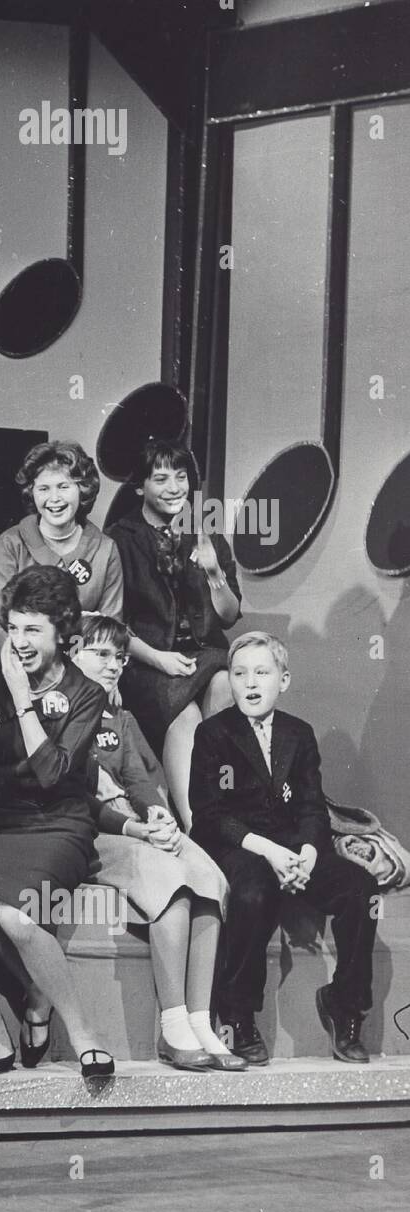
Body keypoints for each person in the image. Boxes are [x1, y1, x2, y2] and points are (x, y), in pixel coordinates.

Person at [190, 633, 378, 1066]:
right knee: (254, 891)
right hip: (240, 846)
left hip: (295, 848)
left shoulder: (299, 734)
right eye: (240, 674)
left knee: (361, 890)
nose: (250, 683)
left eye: (262, 672)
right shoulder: (214, 736)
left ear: (284, 680)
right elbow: (213, 814)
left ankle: (345, 1005)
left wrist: (309, 855)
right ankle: (238, 1014)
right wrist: (270, 854)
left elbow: (313, 806)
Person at [71, 614, 245, 1071]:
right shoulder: (57, 711)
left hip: (137, 824)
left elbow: (138, 779)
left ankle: (201, 1022)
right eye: (101, 654)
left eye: (120, 657)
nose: (113, 665)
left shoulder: (120, 715)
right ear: (72, 652)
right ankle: (173, 1027)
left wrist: (159, 815)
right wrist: (135, 828)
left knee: (208, 877)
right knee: (174, 883)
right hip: (95, 833)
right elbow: (75, 797)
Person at [0, 566, 115, 1080]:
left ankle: (82, 1032)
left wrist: (21, 694)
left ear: (61, 632)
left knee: (19, 917)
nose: (19, 641)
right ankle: (31, 994)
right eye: (14, 627)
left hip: (61, 825)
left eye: (33, 630)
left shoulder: (86, 693)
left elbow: (52, 774)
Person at [108, 441, 240, 829]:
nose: (173, 487)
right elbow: (116, 623)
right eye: (160, 478)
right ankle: (197, 826)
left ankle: (225, 814)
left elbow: (229, 617)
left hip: (206, 654)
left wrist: (215, 573)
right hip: (150, 661)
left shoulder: (207, 532)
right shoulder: (119, 537)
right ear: (140, 487)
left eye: (180, 477)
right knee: (187, 718)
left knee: (226, 688)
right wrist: (158, 658)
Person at [0, 441, 122, 656]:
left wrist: (70, 668)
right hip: (22, 664)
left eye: (64, 486)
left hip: (83, 668)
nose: (54, 498)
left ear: (82, 490)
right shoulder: (10, 543)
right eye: (43, 489)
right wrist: (35, 663)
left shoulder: (106, 549)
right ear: (32, 493)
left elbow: (110, 626)